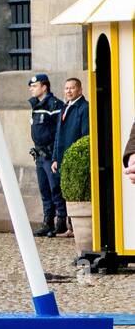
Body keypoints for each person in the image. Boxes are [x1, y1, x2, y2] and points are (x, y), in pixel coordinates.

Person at [28, 73, 67, 237]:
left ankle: (61, 222)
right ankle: (47, 222)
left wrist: (55, 154)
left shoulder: (54, 104)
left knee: (55, 189)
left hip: (50, 154)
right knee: (44, 190)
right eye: (31, 86)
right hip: (39, 154)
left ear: (44, 87)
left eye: (35, 86)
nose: (32, 89)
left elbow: (58, 131)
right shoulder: (36, 105)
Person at [51, 77, 89, 238]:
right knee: (63, 191)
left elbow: (85, 134)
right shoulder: (64, 107)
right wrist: (55, 158)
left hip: (75, 158)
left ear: (79, 90)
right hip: (62, 158)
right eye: (66, 88)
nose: (69, 91)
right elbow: (58, 135)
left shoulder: (83, 108)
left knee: (75, 192)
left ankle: (73, 227)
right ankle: (69, 226)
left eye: (72, 88)